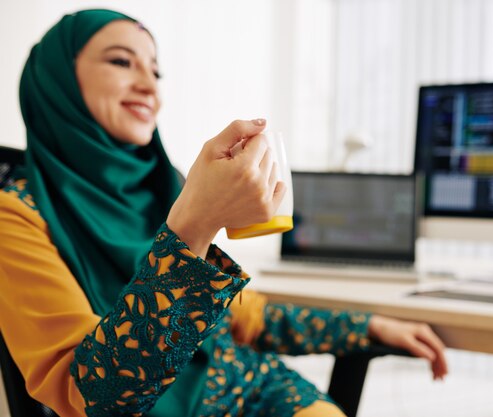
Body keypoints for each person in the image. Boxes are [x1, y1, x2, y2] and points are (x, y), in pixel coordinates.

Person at [0, 9, 448, 417]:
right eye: (122, 62)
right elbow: (97, 397)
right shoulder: (15, 216)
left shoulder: (164, 183)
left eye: (156, 70)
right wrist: (193, 223)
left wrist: (365, 325)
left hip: (253, 385)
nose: (150, 86)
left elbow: (242, 315)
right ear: (57, 81)